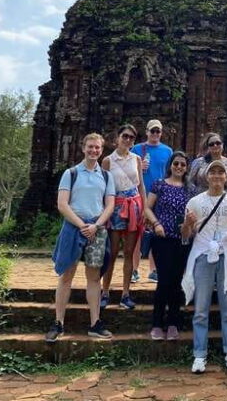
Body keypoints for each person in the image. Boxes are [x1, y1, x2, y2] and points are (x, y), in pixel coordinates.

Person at [45, 133, 116, 342]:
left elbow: (110, 204)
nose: (94, 151)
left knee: (94, 278)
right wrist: (81, 225)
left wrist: (96, 225)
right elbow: (62, 204)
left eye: (97, 148)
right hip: (74, 227)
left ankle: (95, 323)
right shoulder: (72, 173)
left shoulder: (105, 176)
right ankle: (58, 323)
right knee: (66, 275)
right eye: (90, 147)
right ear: (83, 148)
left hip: (96, 228)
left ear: (101, 151)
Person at [181, 160, 227, 374]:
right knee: (201, 309)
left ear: (226, 177)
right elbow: (186, 237)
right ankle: (199, 354)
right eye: (213, 172)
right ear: (206, 176)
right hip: (202, 253)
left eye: (221, 172)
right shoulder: (195, 202)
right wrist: (188, 224)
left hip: (226, 254)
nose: (217, 176)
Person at [143, 150, 193, 341]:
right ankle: (157, 323)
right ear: (170, 165)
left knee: (176, 282)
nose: (179, 167)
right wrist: (156, 223)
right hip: (162, 237)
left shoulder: (190, 189)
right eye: (176, 164)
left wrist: (188, 225)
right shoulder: (159, 185)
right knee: (163, 281)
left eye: (182, 164)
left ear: (186, 168)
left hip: (182, 240)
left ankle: (173, 323)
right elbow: (147, 207)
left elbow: (193, 213)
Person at [101, 124, 146, 310]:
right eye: (124, 136)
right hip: (116, 205)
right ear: (117, 138)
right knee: (112, 252)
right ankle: (105, 292)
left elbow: (141, 185)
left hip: (134, 205)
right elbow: (103, 189)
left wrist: (143, 209)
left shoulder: (136, 159)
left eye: (131, 138)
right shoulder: (107, 161)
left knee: (129, 252)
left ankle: (125, 293)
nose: (127, 140)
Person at [131, 119, 173, 283]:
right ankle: (134, 269)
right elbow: (128, 171)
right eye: (152, 131)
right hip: (140, 194)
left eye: (158, 131)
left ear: (161, 133)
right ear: (147, 132)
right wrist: (139, 168)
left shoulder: (167, 151)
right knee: (136, 233)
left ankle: (153, 269)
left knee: (157, 233)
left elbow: (170, 173)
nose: (155, 134)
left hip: (159, 196)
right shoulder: (136, 149)